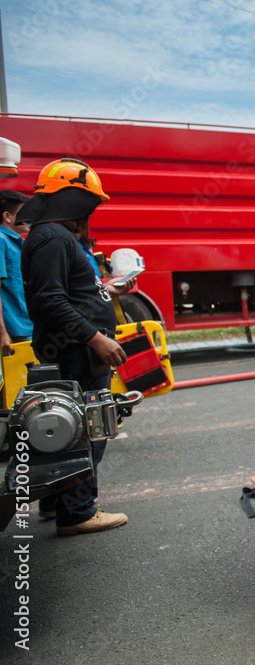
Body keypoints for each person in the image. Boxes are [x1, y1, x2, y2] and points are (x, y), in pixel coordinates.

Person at [20, 158, 136, 535]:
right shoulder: (53, 238)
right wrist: (96, 337)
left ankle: (56, 503)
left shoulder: (55, 236)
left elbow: (70, 292)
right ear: (73, 199)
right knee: (87, 428)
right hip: (74, 352)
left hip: (74, 349)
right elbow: (48, 300)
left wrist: (106, 289)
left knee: (71, 429)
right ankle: (78, 512)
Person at [0, 190, 31, 355]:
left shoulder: (17, 243)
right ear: (7, 216)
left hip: (24, 325)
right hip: (14, 330)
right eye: (23, 213)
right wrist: (3, 334)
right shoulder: (1, 240)